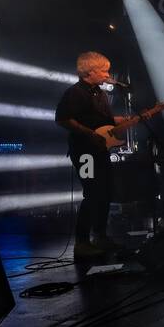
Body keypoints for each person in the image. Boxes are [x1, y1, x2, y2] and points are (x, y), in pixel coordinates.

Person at [55, 52, 129, 256]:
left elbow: (101, 121)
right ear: (90, 71)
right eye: (104, 70)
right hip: (84, 152)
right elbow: (62, 119)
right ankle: (82, 242)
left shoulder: (100, 93)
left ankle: (101, 236)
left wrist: (127, 119)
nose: (107, 74)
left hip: (100, 150)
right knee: (92, 193)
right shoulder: (75, 93)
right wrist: (88, 133)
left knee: (105, 192)